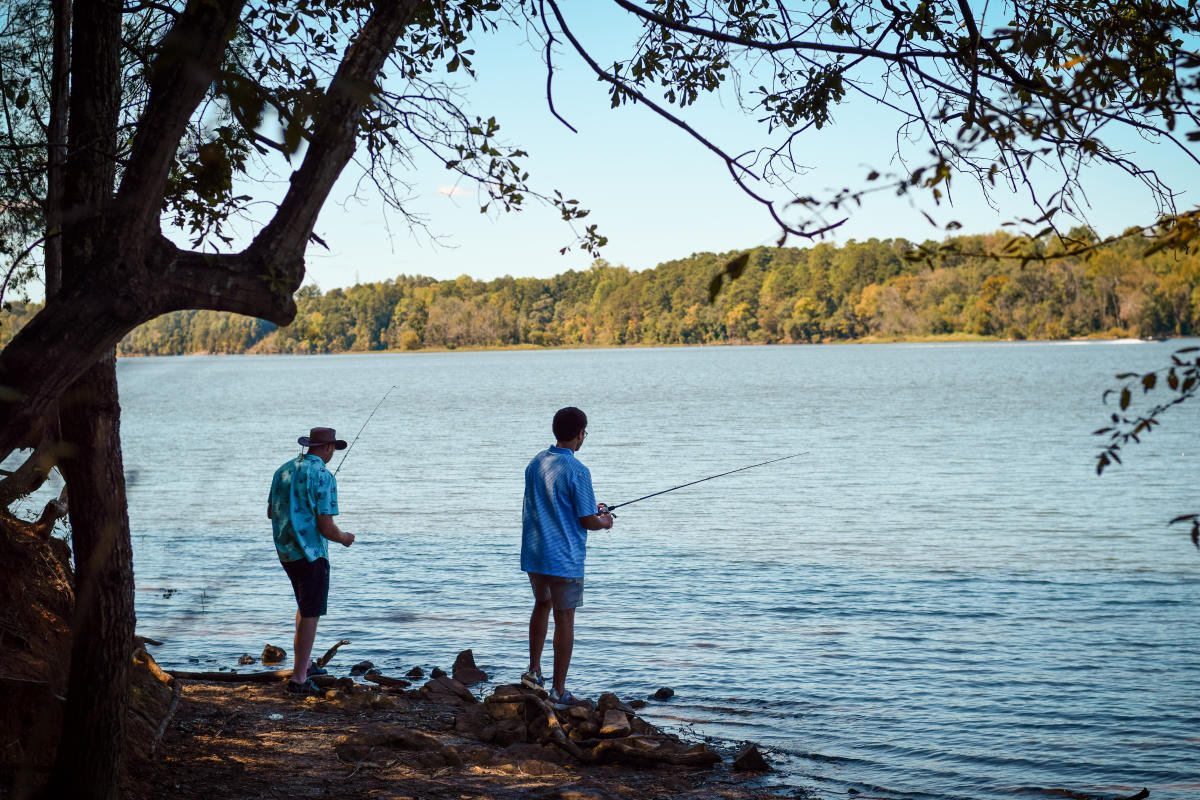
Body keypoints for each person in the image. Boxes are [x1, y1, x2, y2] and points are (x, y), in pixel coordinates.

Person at [520, 406, 614, 709]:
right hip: (563, 556)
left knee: (541, 604)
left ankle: (533, 672)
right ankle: (559, 692)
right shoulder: (578, 470)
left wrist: (592, 512)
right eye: (584, 432)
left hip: (535, 551)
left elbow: (556, 505)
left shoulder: (536, 462)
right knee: (565, 617)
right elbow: (587, 520)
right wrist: (606, 520)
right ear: (580, 434)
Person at [268, 426, 355, 695]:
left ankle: (302, 665)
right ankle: (299, 680)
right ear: (328, 448)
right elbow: (327, 527)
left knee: (304, 608)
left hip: (286, 551)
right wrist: (345, 538)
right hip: (311, 553)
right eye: (332, 449)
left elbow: (271, 512)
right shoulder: (323, 476)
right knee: (311, 612)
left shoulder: (282, 469)